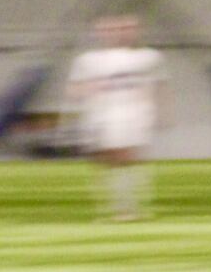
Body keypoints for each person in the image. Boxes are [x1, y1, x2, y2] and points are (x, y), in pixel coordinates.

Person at [66, 14, 167, 221]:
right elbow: (73, 90)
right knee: (104, 162)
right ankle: (114, 208)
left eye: (127, 28)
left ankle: (129, 209)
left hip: (132, 114)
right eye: (109, 30)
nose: (118, 33)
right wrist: (89, 89)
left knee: (128, 159)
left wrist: (159, 112)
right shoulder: (88, 60)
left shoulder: (148, 57)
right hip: (100, 116)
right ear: (98, 34)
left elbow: (158, 86)